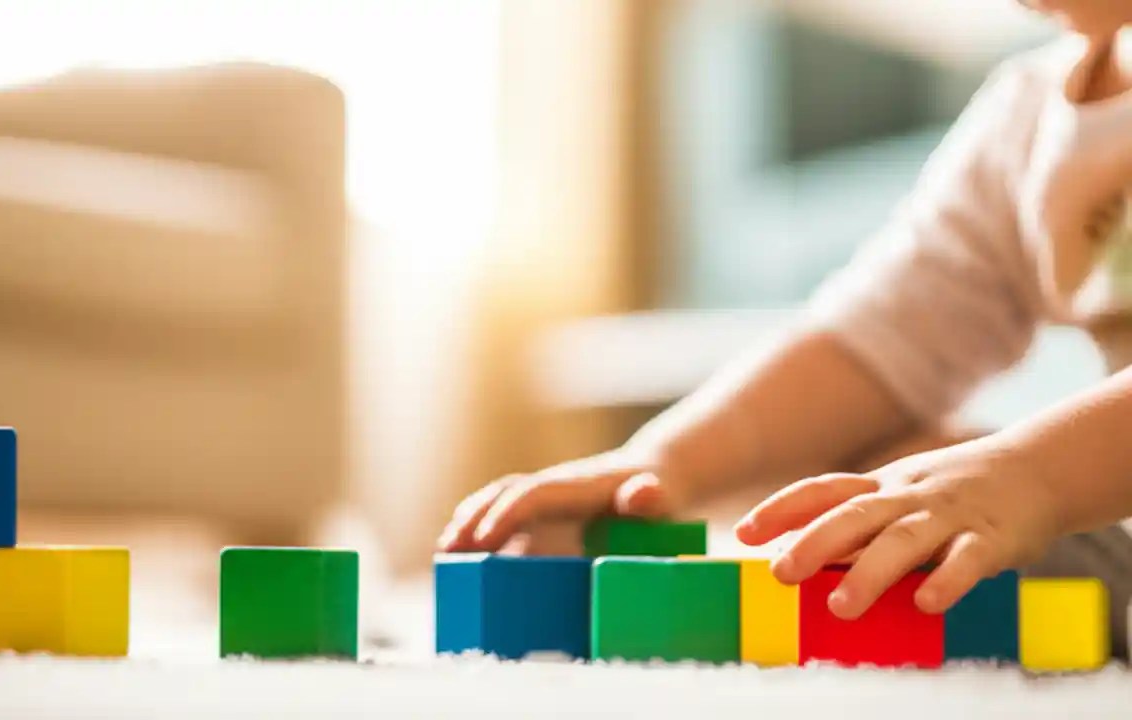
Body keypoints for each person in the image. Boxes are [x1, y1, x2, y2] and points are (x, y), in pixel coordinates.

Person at [439, 0, 1132, 658]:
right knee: (902, 490)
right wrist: (665, 464)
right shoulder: (1029, 120)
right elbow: (884, 335)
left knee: (979, 484)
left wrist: (1031, 479)